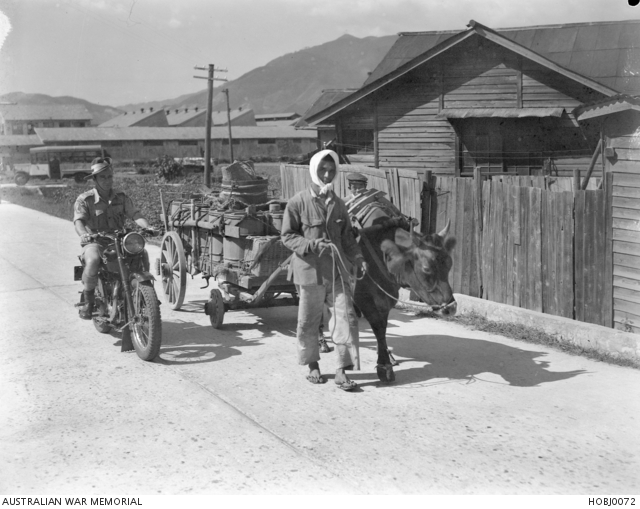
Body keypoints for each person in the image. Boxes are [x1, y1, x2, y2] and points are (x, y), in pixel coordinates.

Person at [281, 149, 368, 391]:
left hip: (337, 270)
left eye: (332, 170)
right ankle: (312, 366)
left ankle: (342, 370)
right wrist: (310, 244)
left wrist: (358, 258)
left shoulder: (339, 205)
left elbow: (348, 238)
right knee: (309, 321)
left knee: (346, 319)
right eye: (323, 170)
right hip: (309, 272)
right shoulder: (297, 202)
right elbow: (287, 236)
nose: (327, 175)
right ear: (314, 170)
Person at [73, 157, 152, 320]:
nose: (107, 180)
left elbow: (135, 214)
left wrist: (147, 227)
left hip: (120, 239)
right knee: (93, 260)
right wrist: (84, 235)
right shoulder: (85, 199)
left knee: (141, 254)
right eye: (102, 177)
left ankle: (145, 294)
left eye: (109, 176)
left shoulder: (121, 197)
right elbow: (79, 221)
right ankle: (88, 302)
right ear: (94, 179)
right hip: (96, 241)